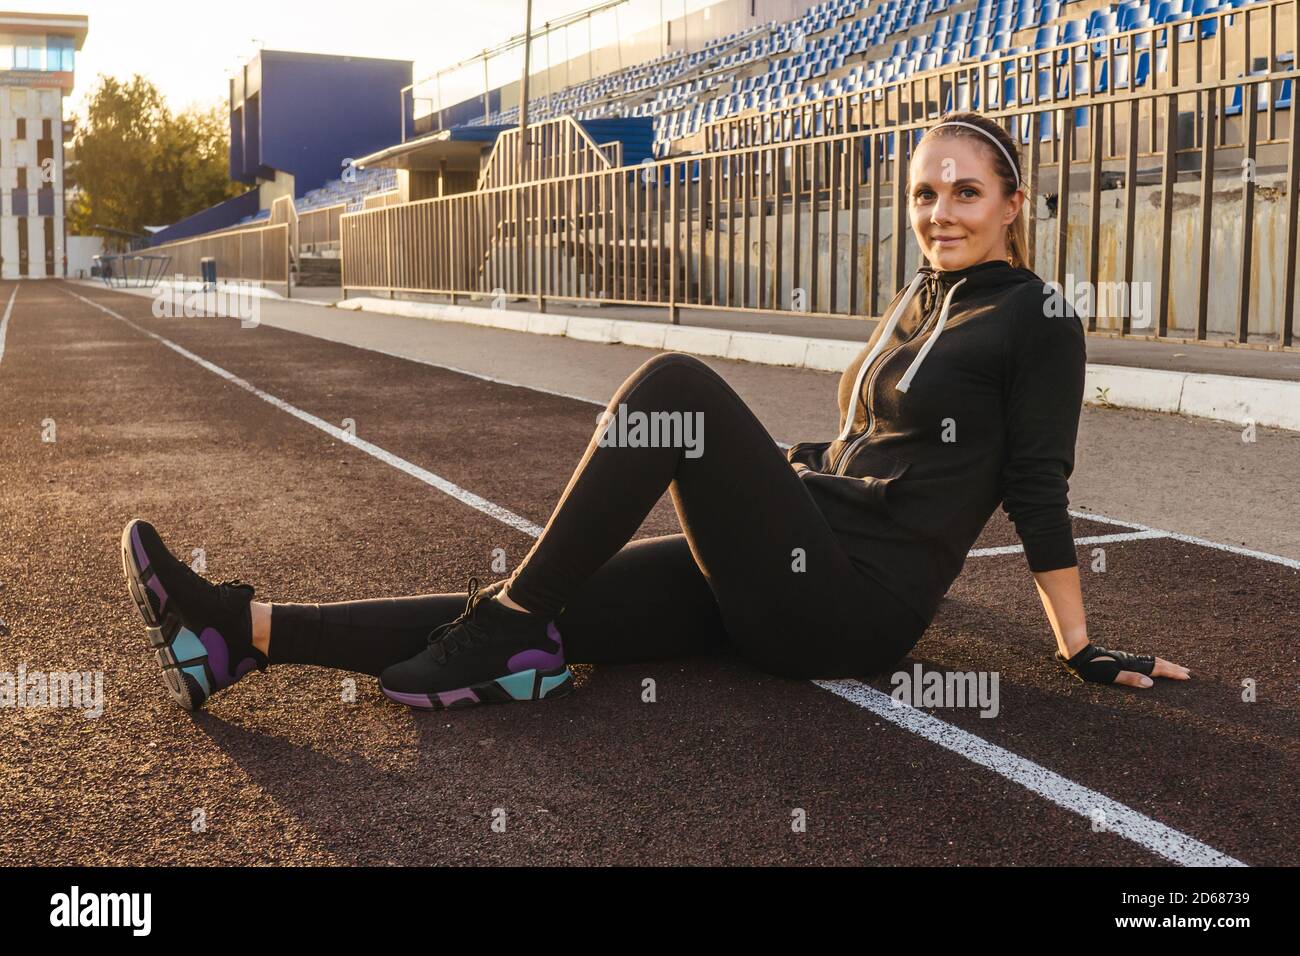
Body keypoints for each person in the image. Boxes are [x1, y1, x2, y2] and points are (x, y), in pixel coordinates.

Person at [120, 110, 1190, 713]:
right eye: (922, 191)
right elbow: (876, 444)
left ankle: (497, 636)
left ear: (1013, 202)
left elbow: (1035, 485)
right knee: (548, 602)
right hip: (798, 549)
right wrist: (787, 464)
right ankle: (240, 635)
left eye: (964, 191)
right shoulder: (922, 296)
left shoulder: (1038, 317)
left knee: (674, 390)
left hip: (849, 606)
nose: (939, 211)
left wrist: (1079, 645)